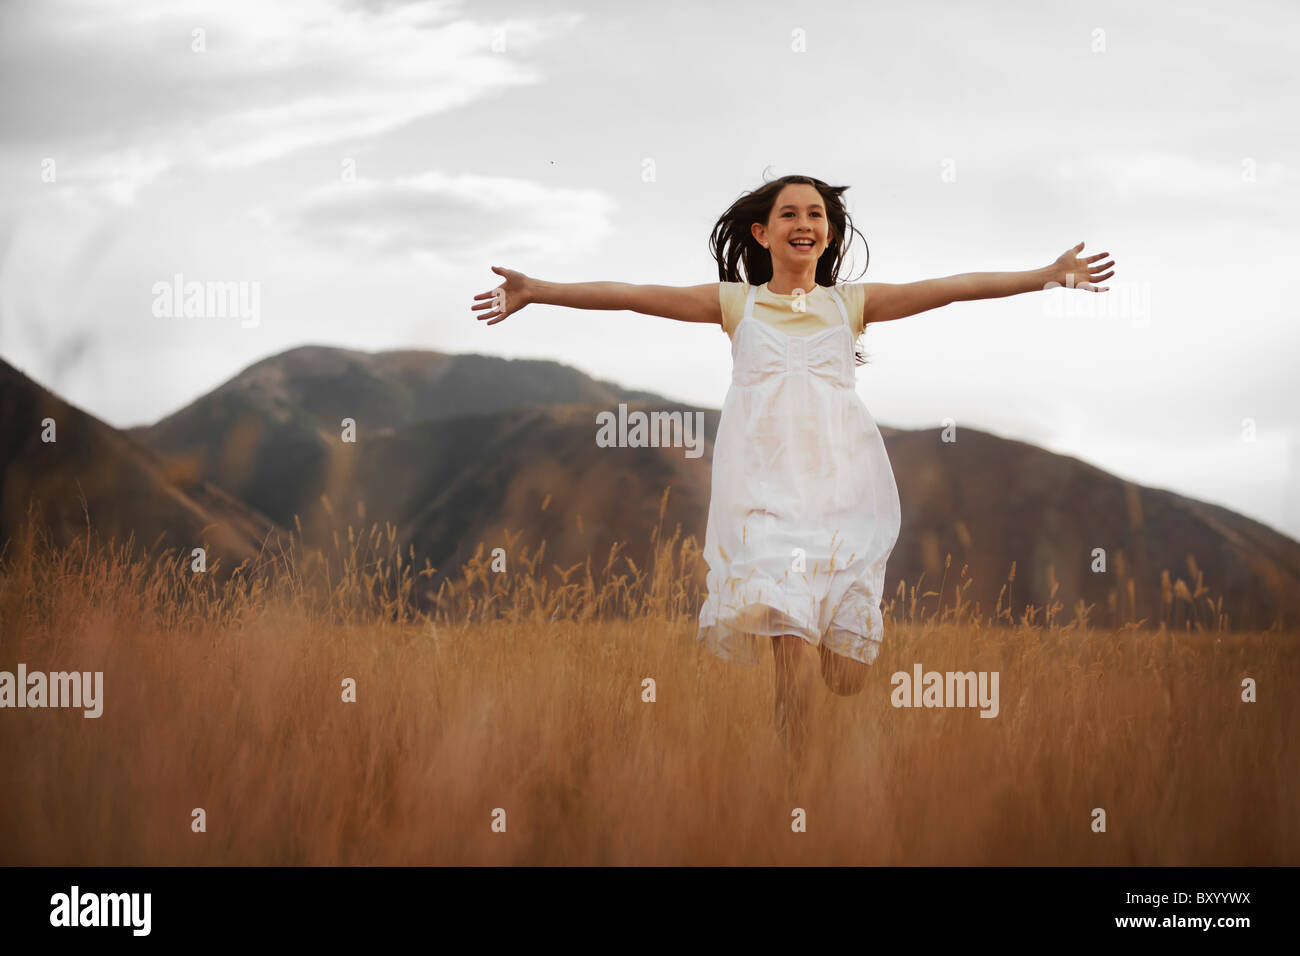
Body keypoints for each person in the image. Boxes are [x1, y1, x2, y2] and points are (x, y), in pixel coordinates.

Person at [470, 173, 1115, 772]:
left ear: (827, 233)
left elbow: (951, 287)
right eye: (789, 213)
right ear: (763, 233)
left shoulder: (850, 306)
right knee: (789, 640)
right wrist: (538, 290)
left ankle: (825, 705)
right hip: (764, 500)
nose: (804, 222)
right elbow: (634, 297)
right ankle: (795, 793)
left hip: (844, 494)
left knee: (845, 674)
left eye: (816, 213)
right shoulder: (736, 305)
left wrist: (1047, 275)